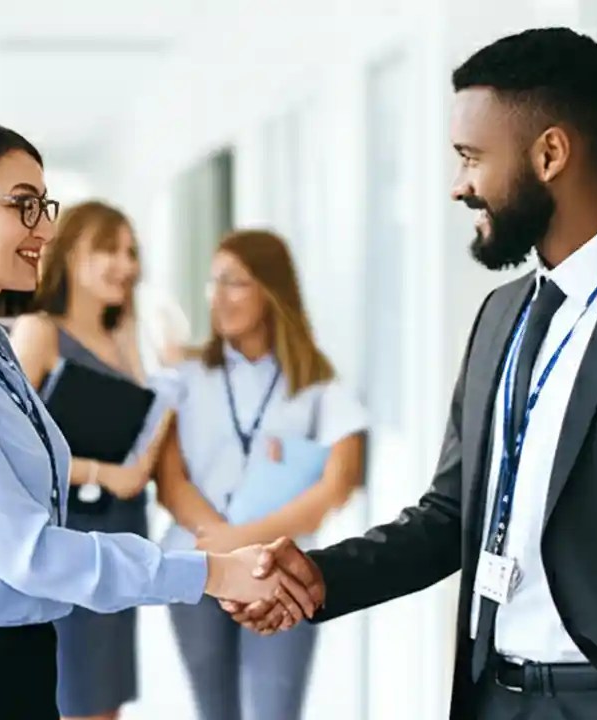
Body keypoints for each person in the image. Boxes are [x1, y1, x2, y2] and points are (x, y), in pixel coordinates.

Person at [229, 28, 597, 720]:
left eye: (471, 158)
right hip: (488, 696)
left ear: (550, 154)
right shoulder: (502, 315)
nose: (458, 186)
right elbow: (449, 517)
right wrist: (320, 576)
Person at [0, 118, 317, 720]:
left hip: (17, 669)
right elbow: (31, 553)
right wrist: (211, 572)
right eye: (22, 206)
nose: (45, 228)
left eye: (44, 206)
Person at [151, 230, 367, 720]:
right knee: (215, 712)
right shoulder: (185, 375)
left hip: (282, 571)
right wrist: (223, 544)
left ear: (270, 290)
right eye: (213, 282)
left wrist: (243, 539)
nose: (218, 296)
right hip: (196, 566)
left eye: (235, 282)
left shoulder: (316, 382)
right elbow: (169, 480)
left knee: (275, 711)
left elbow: (338, 483)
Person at [9, 200, 167, 720]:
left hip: (120, 535)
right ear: (73, 253)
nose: (128, 265)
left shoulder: (123, 338)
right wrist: (102, 474)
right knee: (75, 700)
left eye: (132, 252)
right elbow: (7, 448)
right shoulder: (40, 330)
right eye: (110, 250)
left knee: (105, 703)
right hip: (68, 540)